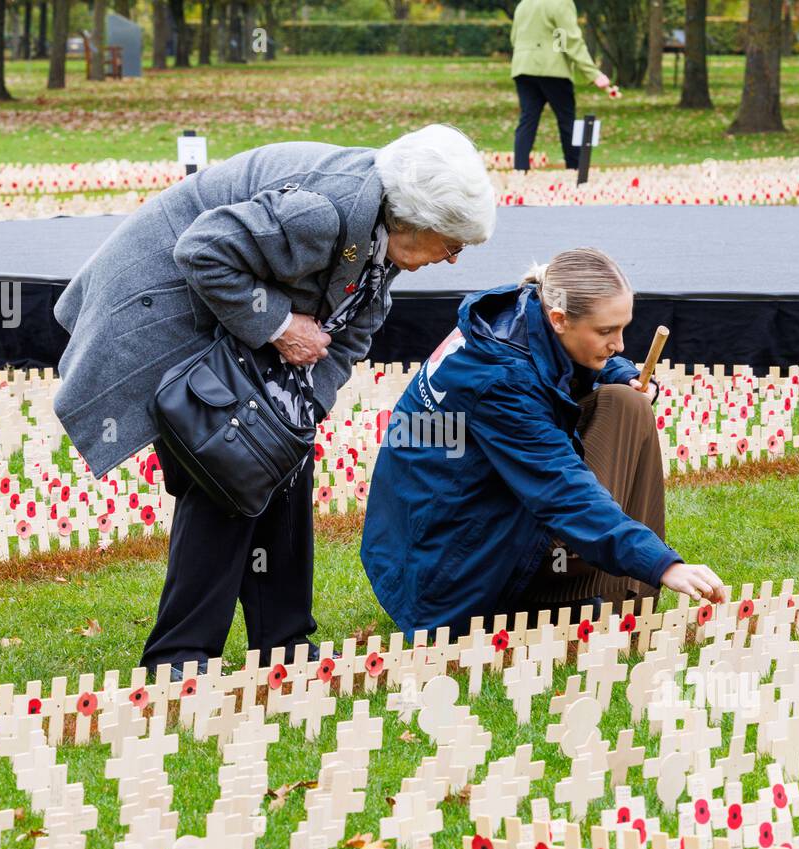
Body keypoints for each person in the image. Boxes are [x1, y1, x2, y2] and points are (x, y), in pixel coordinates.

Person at [51, 125, 497, 677]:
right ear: (415, 220)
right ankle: (180, 660)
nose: (453, 260)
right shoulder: (322, 213)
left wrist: (300, 414)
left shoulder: (383, 235)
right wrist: (280, 324)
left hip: (227, 323)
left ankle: (284, 644)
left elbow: (349, 332)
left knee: (281, 457)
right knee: (225, 473)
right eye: (452, 244)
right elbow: (203, 251)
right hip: (162, 306)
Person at [360, 247, 724, 641]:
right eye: (605, 332)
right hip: (447, 574)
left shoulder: (527, 307)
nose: (619, 344)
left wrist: (621, 372)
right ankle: (572, 592)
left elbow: (563, 365)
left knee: (626, 402)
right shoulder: (503, 381)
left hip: (447, 525)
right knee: (583, 474)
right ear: (560, 319)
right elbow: (562, 490)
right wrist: (662, 564)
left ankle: (624, 600)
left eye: (622, 328)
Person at [510, 0, 613, 171]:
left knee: (527, 120)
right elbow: (571, 40)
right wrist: (593, 73)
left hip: (523, 67)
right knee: (567, 121)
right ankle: (575, 169)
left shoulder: (524, 4)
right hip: (552, 68)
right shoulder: (561, 3)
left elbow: (515, 37)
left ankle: (520, 170)